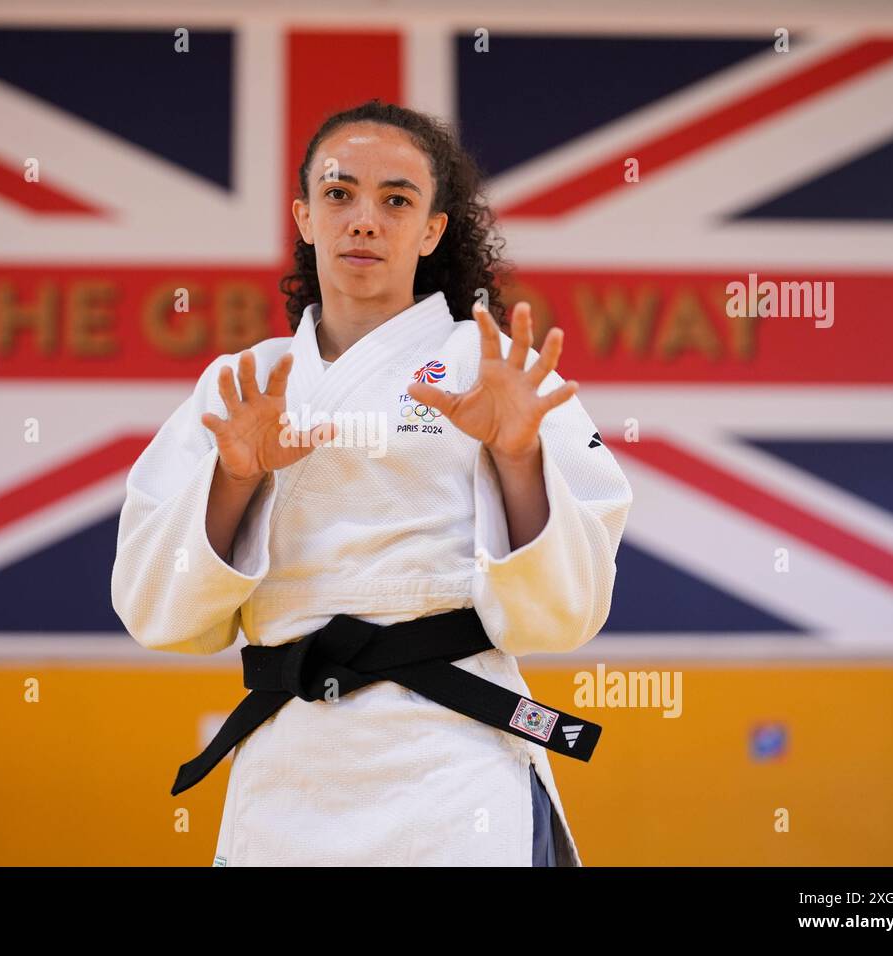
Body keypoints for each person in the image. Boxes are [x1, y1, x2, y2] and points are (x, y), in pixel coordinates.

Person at [111, 99, 632, 866]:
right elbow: (157, 612)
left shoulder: (490, 369)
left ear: (431, 231)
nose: (364, 220)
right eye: (339, 194)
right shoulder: (244, 381)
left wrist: (520, 456)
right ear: (305, 216)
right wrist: (232, 477)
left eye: (396, 200)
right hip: (290, 767)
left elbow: (567, 613)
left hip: (455, 765)